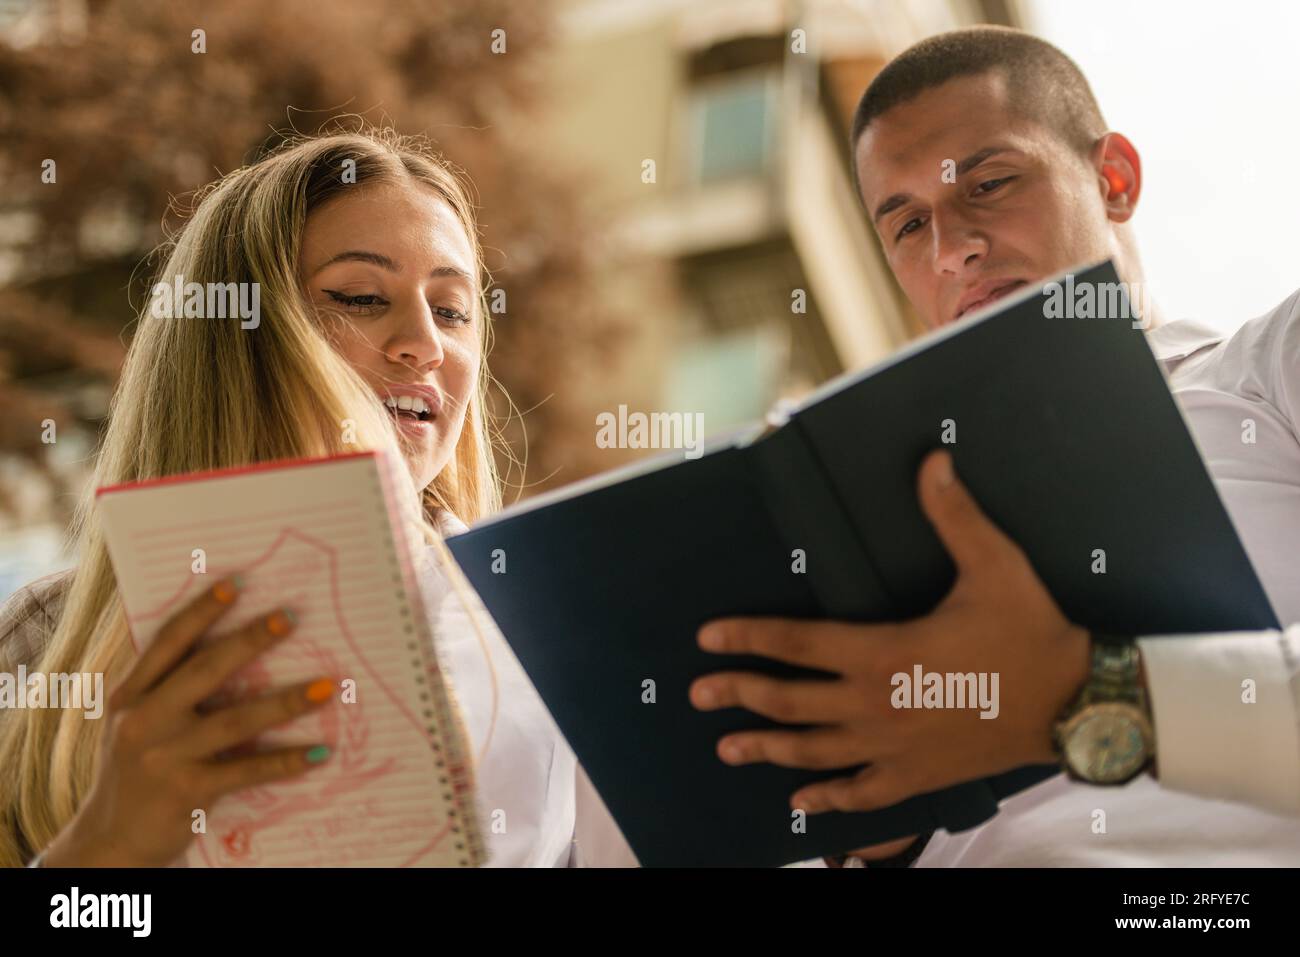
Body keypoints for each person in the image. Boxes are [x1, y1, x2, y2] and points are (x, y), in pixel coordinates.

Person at [689, 26, 1300, 865]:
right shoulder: (866, 533)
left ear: (1112, 179)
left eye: (989, 183)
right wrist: (875, 838)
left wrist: (1084, 695)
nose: (952, 251)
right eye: (906, 227)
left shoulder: (1264, 372)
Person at [0, 127, 623, 868]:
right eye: (361, 296)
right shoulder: (45, 642)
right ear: (236, 342)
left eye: (454, 310)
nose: (424, 343)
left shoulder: (551, 628)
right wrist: (105, 851)